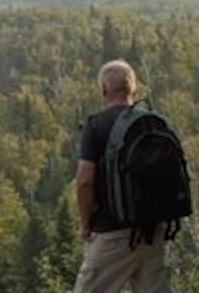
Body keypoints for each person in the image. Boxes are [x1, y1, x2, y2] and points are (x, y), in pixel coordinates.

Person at [73, 59, 172, 293]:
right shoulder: (153, 123)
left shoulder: (95, 126)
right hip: (152, 231)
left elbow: (85, 181)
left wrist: (86, 224)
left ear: (103, 90)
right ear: (133, 89)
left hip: (111, 233)